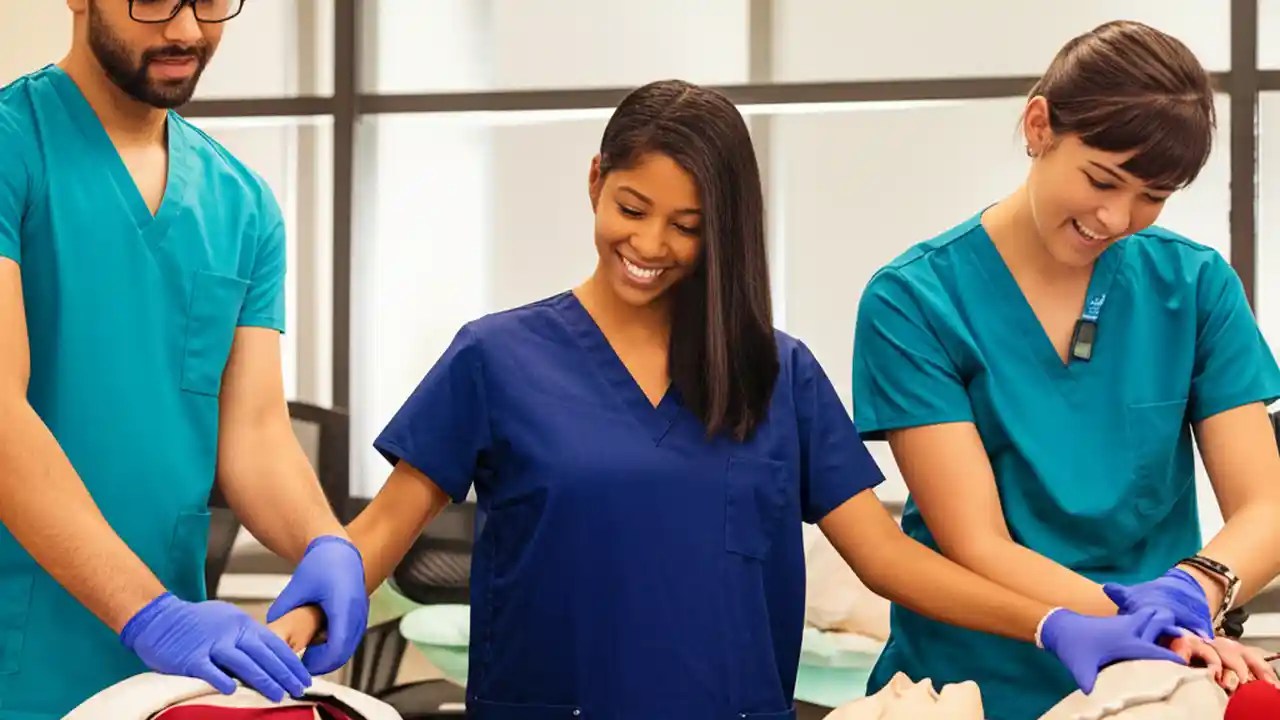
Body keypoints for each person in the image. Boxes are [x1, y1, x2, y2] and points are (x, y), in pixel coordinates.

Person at [270, 78, 1194, 719]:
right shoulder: (495, 358)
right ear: (596, 182)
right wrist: (317, 593)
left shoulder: (777, 373)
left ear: (730, 231)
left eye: (689, 226)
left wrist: (1058, 620)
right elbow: (387, 525)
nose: (650, 244)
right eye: (631, 208)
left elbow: (884, 557)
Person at [851, 20, 1280, 720]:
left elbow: (1266, 506)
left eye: (1153, 195)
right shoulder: (915, 301)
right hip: (970, 689)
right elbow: (975, 542)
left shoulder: (1195, 288)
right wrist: (1149, 623)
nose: (1117, 216)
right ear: (1039, 125)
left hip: (1152, 693)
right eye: (1102, 179)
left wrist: (1196, 589)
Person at [0, 1, 368, 716]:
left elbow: (256, 432)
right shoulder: (14, 151)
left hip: (159, 683)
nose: (187, 30)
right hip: (22, 655)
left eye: (209, 0)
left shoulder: (243, 204)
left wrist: (324, 542)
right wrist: (150, 614)